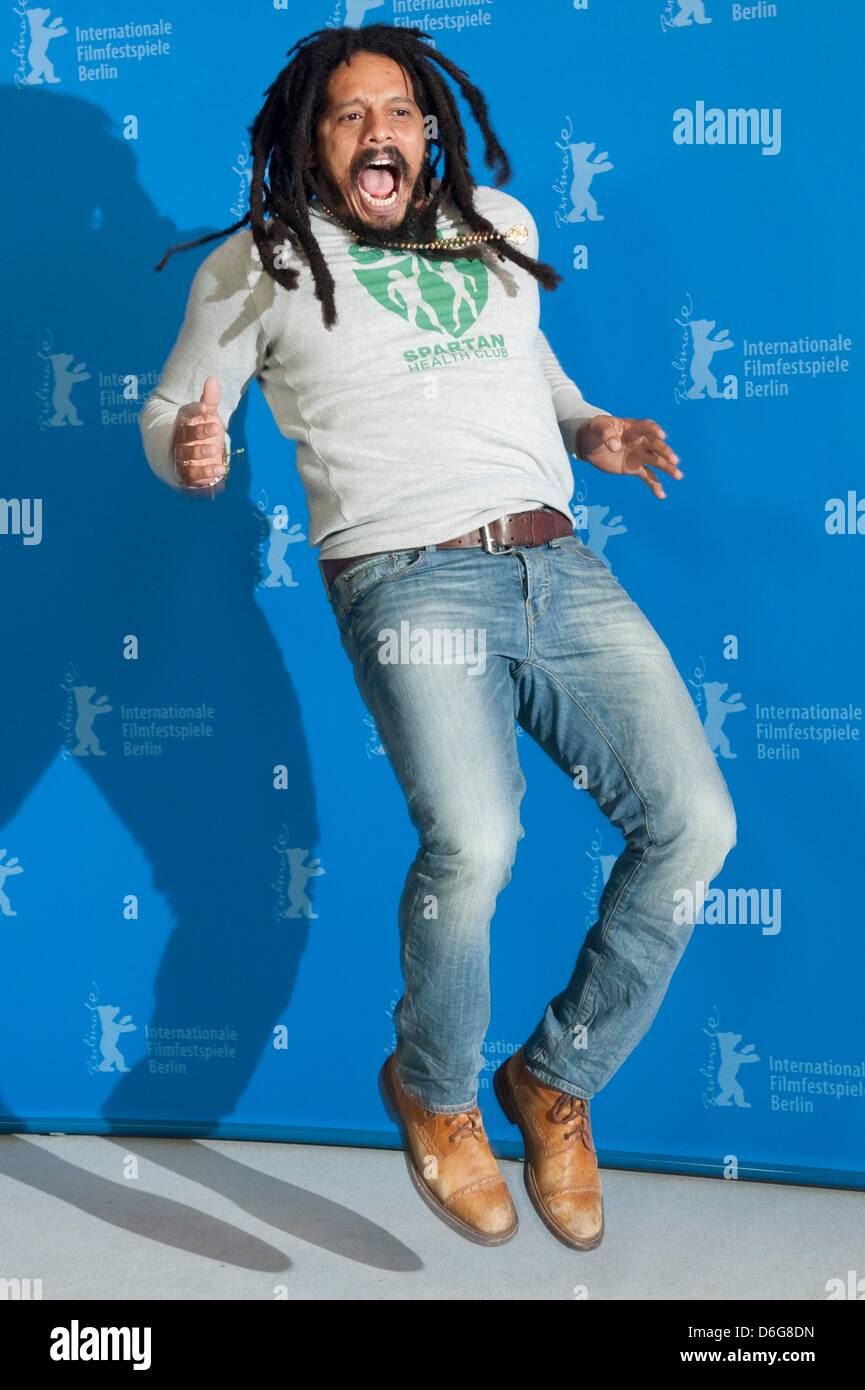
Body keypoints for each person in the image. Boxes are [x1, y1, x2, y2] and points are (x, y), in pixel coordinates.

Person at [139, 23, 737, 1251]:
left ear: (427, 131)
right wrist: (187, 452)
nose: (380, 133)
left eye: (399, 111)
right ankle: (438, 1090)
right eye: (350, 114)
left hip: (556, 561)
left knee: (698, 827)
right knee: (474, 840)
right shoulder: (261, 264)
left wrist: (588, 431)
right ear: (313, 141)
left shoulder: (499, 226)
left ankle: (554, 1079)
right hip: (406, 581)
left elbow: (531, 364)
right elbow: (168, 406)